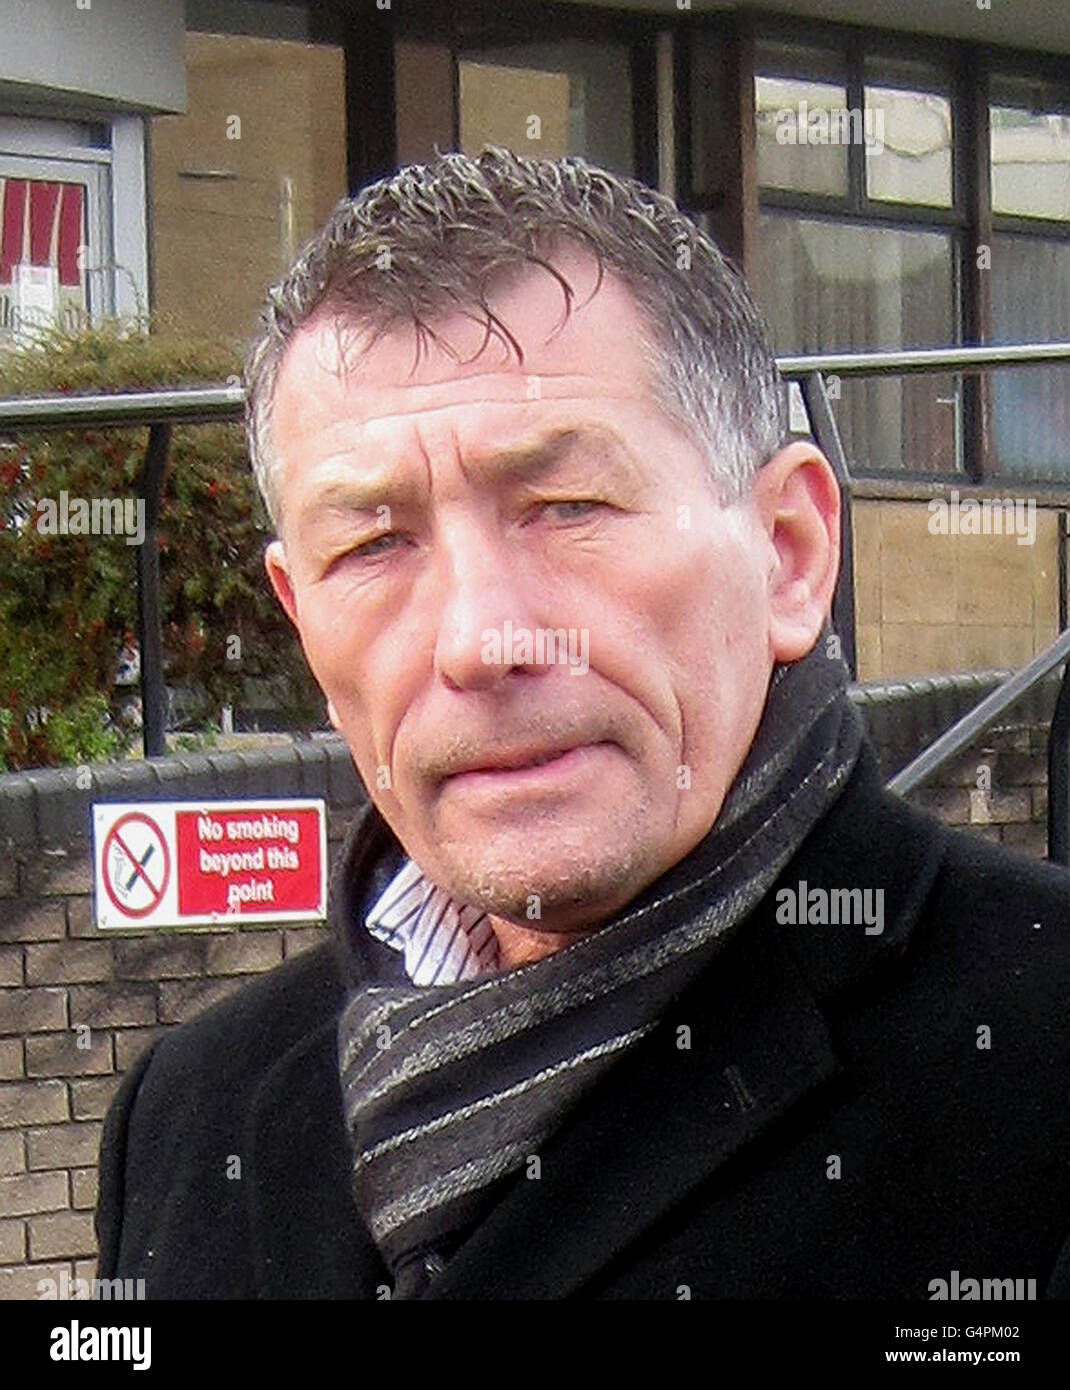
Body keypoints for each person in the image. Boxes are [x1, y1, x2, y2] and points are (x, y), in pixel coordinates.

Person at [95, 147, 1070, 1300]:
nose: (478, 638)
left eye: (565, 508)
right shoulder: (190, 1110)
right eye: (372, 543)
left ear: (789, 554)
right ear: (301, 618)